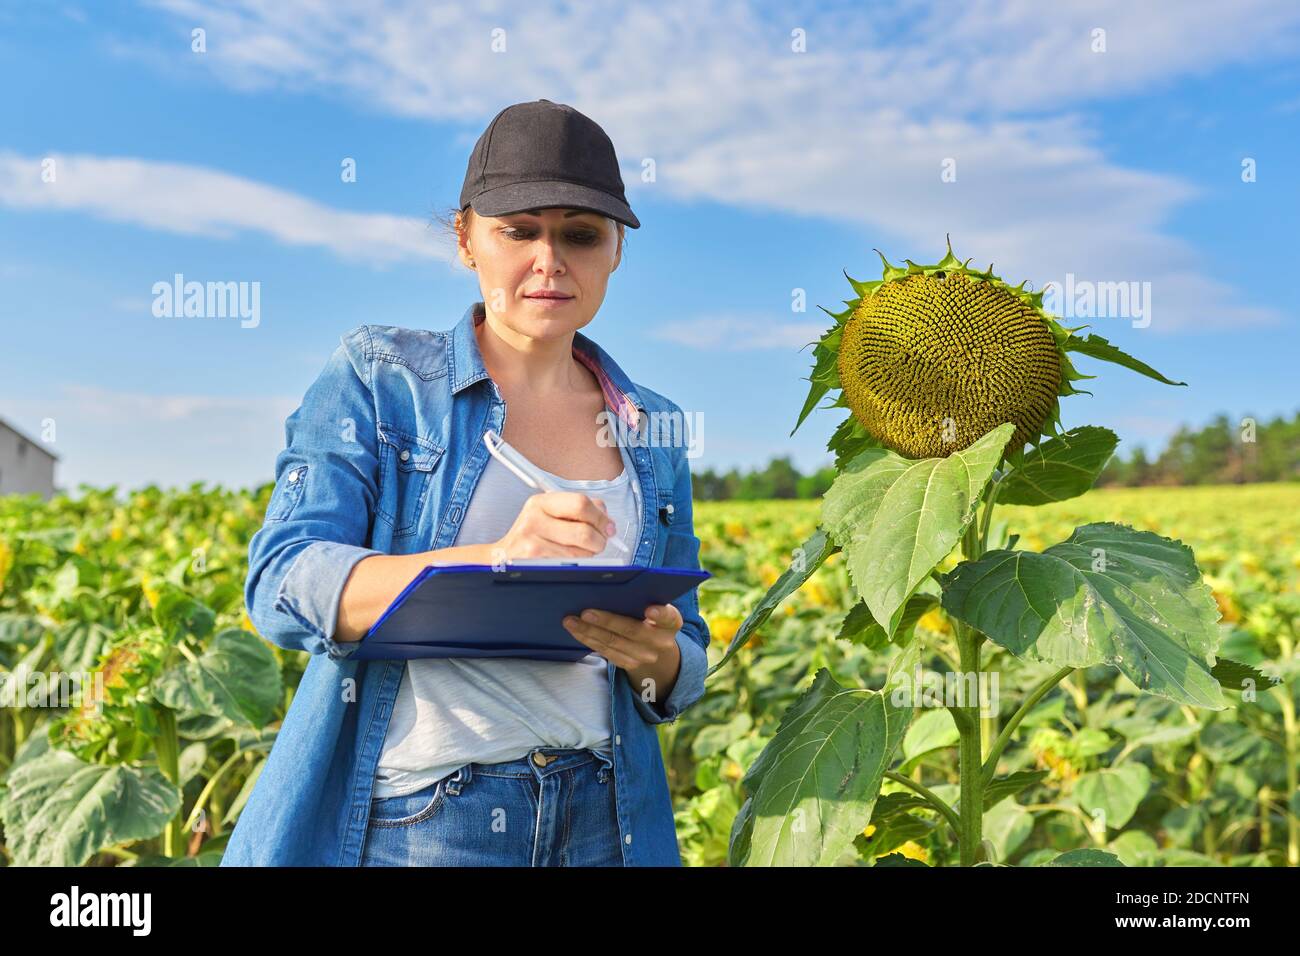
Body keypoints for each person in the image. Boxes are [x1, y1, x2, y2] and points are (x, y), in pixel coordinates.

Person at [220, 99, 710, 867]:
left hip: (607, 818)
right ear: (466, 239)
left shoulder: (652, 426)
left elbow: (685, 645)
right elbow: (282, 582)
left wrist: (661, 663)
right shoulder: (380, 378)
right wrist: (483, 563)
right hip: (431, 819)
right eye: (519, 230)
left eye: (580, 234)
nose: (550, 260)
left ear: (615, 250)